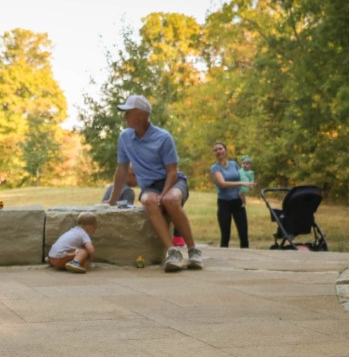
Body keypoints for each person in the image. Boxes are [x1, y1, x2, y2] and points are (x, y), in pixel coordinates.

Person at [107, 95, 201, 272]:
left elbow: (172, 172)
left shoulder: (163, 137)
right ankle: (173, 252)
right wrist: (112, 200)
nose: (125, 116)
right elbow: (122, 170)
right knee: (149, 201)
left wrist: (164, 194)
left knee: (170, 200)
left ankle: (193, 250)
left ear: (141, 115)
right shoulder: (124, 137)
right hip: (150, 186)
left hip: (173, 182)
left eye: (128, 112)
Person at [211, 142, 254, 248]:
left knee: (244, 236)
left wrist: (245, 188)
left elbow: (242, 177)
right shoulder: (215, 168)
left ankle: (245, 256)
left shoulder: (234, 164)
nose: (218, 151)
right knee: (225, 236)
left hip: (238, 203)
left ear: (225, 150)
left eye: (220, 149)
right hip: (224, 204)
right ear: (214, 154)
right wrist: (242, 183)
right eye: (215, 150)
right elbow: (222, 184)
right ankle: (223, 257)